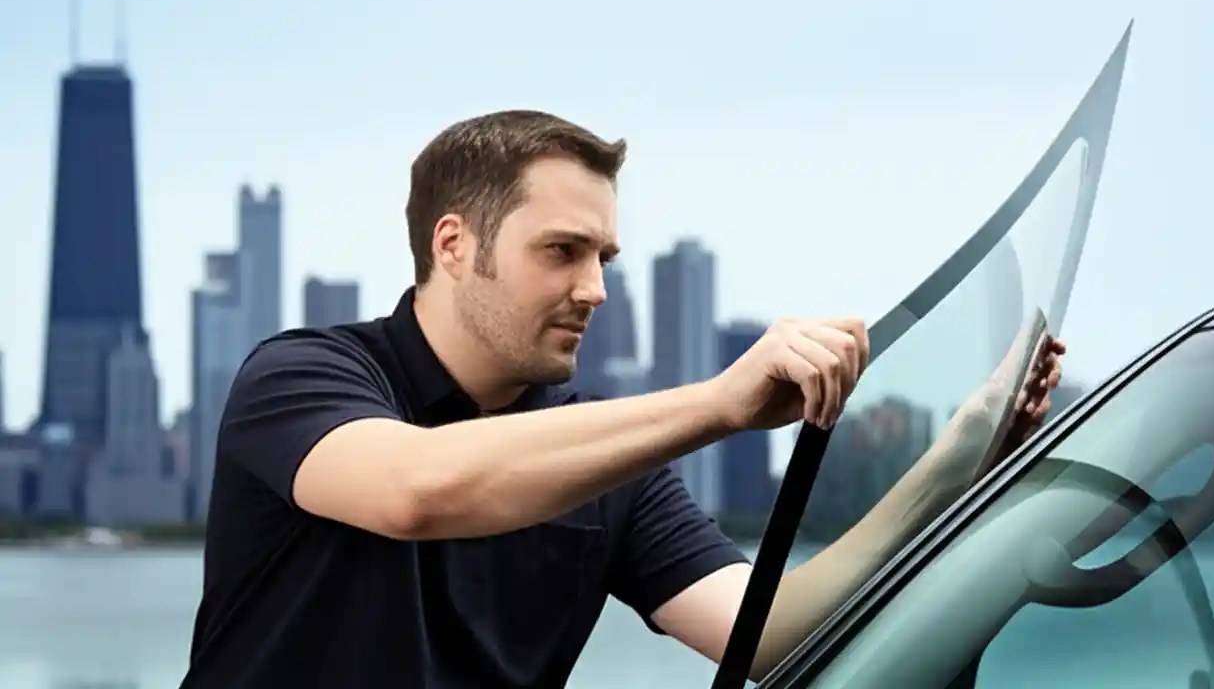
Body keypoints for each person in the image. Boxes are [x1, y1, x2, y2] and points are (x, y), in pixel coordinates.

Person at [180, 109, 1063, 688]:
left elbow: (771, 635)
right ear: (454, 244)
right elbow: (415, 491)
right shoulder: (302, 377)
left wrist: (954, 461)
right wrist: (721, 404)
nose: (595, 289)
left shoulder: (608, 466)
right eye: (562, 251)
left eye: (603, 258)